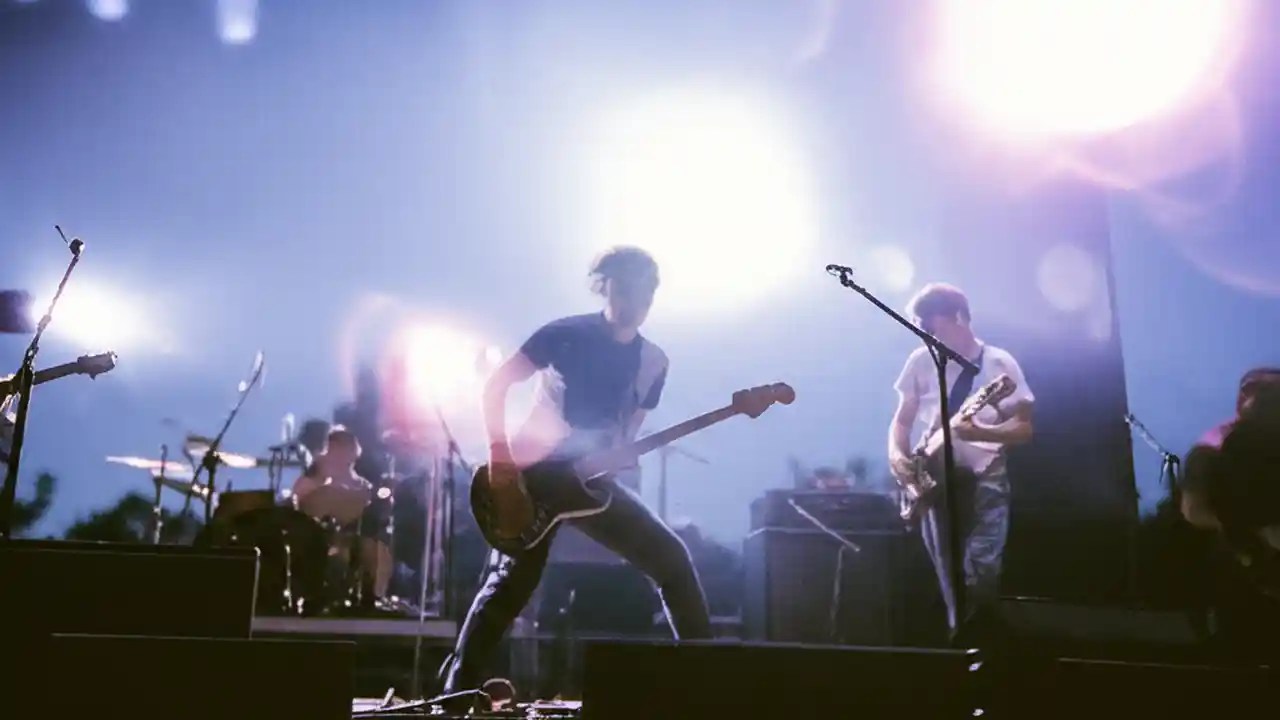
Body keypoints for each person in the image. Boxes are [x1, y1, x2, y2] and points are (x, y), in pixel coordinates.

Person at [436, 246, 711, 702]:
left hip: (588, 484)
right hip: (534, 475)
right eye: (624, 288)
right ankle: (456, 690)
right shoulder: (565, 334)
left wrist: (622, 455)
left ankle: (711, 681)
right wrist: (500, 455)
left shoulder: (654, 363)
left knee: (672, 561)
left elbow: (627, 431)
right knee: (511, 583)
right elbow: (497, 385)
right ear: (605, 288)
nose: (635, 302)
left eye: (644, 292)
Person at [887, 283, 1035, 643]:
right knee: (950, 578)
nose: (926, 333)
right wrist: (898, 459)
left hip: (986, 475)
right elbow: (902, 420)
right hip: (934, 478)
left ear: (959, 316)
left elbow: (1024, 427)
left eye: (932, 325)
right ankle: (961, 650)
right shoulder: (920, 361)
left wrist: (983, 432)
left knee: (981, 569)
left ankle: (983, 650)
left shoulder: (999, 362)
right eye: (920, 327)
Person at [1179, 367, 1280, 662]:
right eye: (1256, 390)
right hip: (1243, 577)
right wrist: (1252, 537)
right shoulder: (1214, 446)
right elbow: (1194, 509)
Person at [291, 426, 391, 604]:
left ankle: (369, 598)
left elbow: (373, 511)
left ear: (354, 453)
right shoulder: (314, 479)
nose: (340, 454)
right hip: (318, 539)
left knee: (374, 548)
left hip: (354, 539)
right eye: (335, 448)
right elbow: (300, 503)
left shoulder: (364, 486)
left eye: (345, 448)